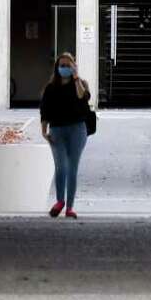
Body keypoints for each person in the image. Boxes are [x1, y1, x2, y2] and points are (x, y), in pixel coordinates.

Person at [39, 51, 93, 218]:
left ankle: (69, 207)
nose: (64, 68)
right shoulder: (50, 88)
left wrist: (76, 77)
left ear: (73, 66)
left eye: (68, 65)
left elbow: (82, 97)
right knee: (61, 167)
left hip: (78, 129)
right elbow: (45, 110)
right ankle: (59, 201)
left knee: (72, 169)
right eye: (61, 66)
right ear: (56, 68)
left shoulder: (81, 83)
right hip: (57, 130)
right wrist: (44, 130)